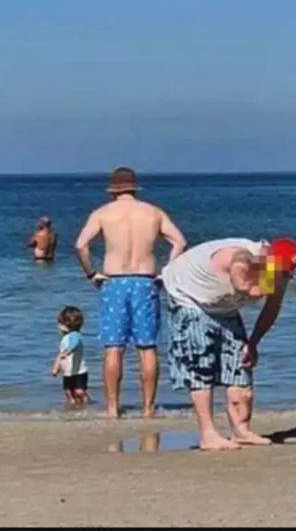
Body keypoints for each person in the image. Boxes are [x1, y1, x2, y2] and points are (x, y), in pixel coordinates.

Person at [160, 236, 296, 451]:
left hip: (223, 305)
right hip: (189, 295)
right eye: (278, 268)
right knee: (200, 364)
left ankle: (241, 430)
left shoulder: (278, 274)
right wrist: (264, 286)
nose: (280, 275)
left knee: (240, 363)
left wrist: (253, 343)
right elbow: (243, 286)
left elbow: (271, 309)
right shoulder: (241, 257)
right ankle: (208, 435)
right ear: (267, 256)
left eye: (286, 272)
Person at [74, 167, 187, 419]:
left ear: (112, 190)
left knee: (113, 347)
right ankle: (148, 408)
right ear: (134, 189)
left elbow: (81, 245)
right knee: (147, 348)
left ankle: (112, 409)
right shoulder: (153, 212)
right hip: (145, 281)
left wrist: (91, 273)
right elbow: (179, 241)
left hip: (114, 282)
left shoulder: (103, 213)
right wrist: (166, 271)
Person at [51, 306, 90, 406]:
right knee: (68, 392)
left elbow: (75, 344)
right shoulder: (65, 338)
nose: (57, 326)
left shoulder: (75, 335)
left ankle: (86, 404)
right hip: (67, 372)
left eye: (59, 323)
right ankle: (72, 408)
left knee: (79, 391)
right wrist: (56, 368)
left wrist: (68, 351)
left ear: (65, 325)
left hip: (79, 370)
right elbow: (60, 356)